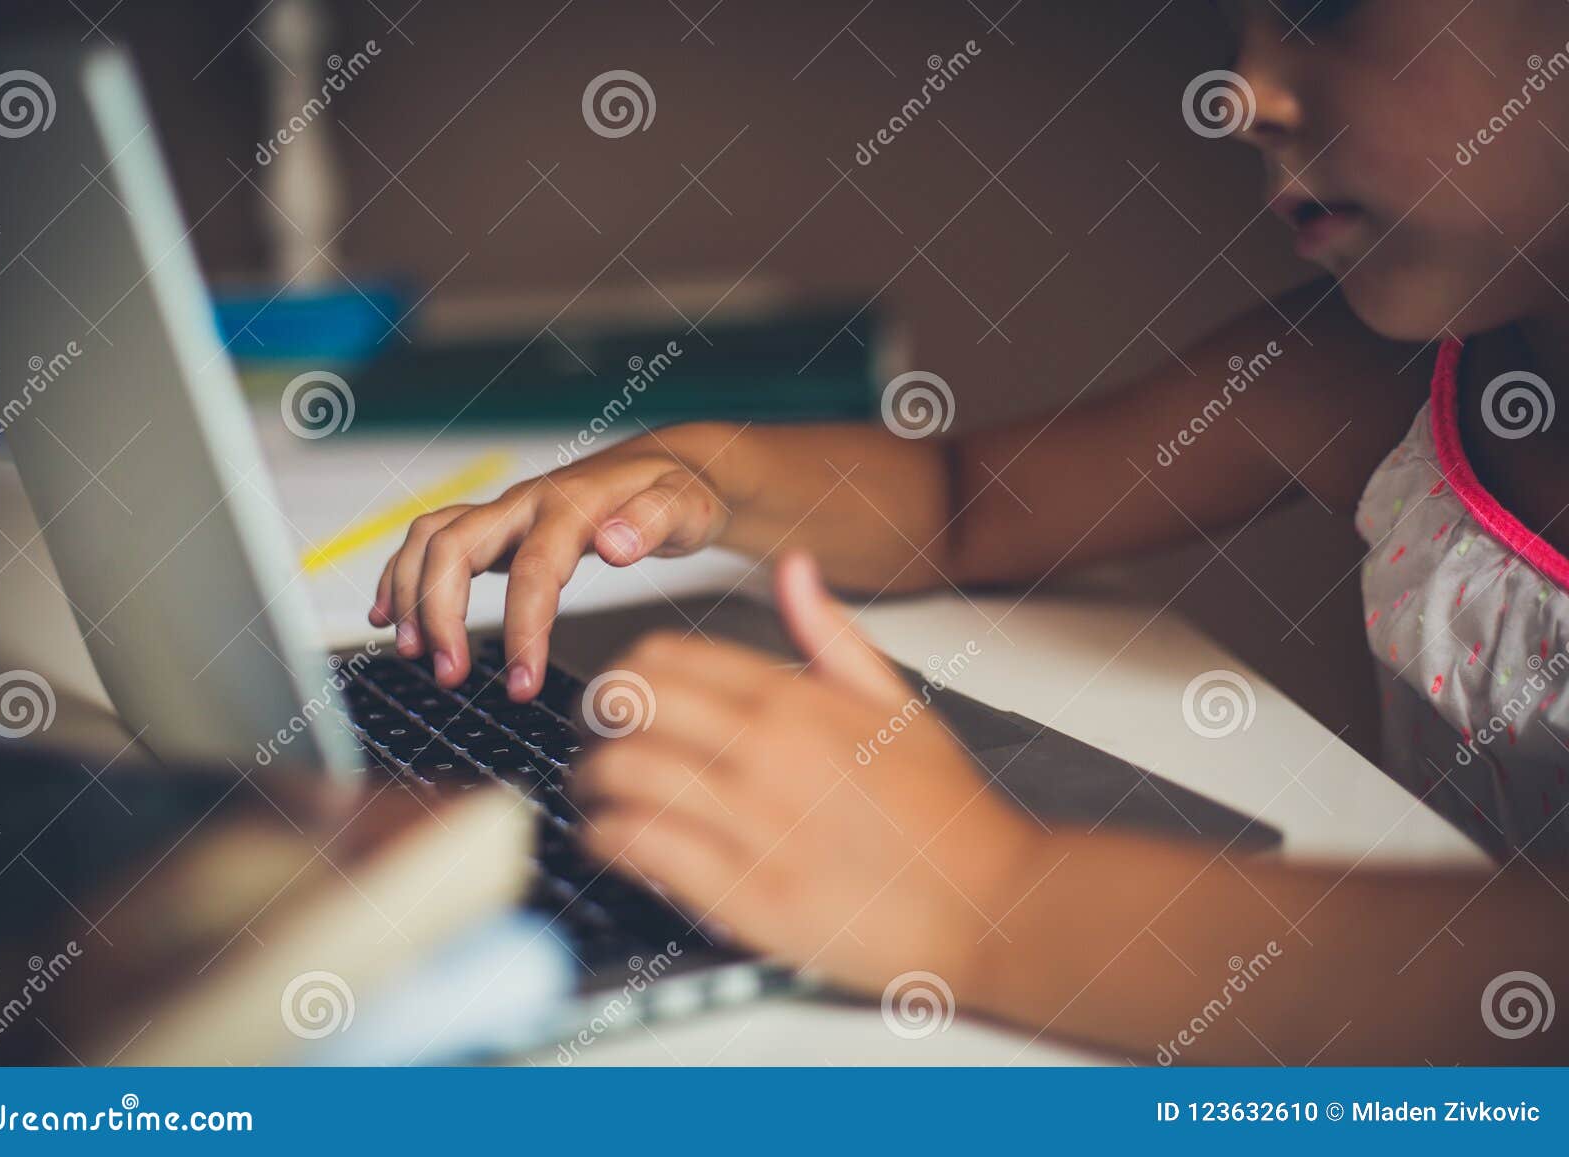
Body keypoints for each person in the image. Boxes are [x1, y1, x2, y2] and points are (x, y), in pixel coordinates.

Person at [369, 0, 1569, 1062]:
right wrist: (701, 470)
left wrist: (979, 894)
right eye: (1231, 35)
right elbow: (965, 500)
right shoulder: (1364, 378)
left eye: (1324, 5)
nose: (1244, 95)